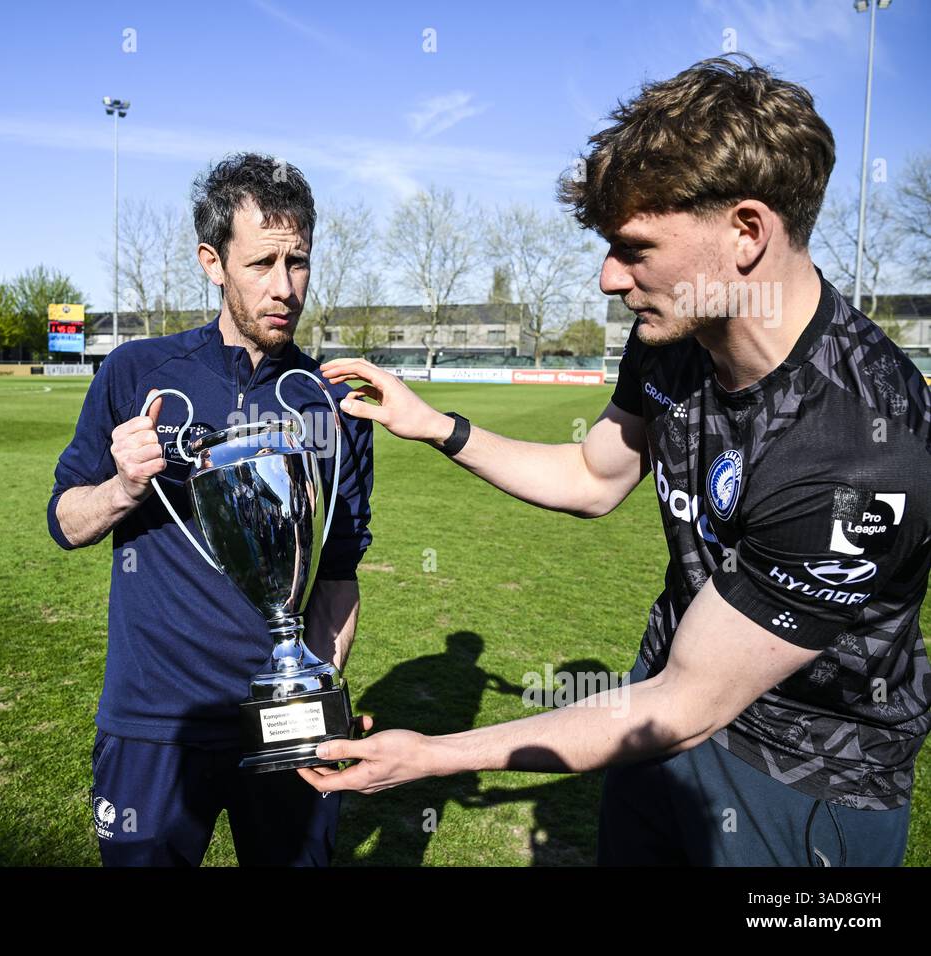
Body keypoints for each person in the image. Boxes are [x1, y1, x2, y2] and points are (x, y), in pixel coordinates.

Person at [299, 56, 931, 867]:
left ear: (746, 232)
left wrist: (432, 756)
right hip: (655, 720)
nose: (608, 278)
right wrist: (438, 428)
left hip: (803, 782)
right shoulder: (673, 337)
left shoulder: (858, 449)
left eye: (635, 248)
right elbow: (596, 477)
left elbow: (688, 702)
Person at [47, 152, 374, 866]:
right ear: (212, 261)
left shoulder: (334, 402)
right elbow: (64, 521)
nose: (285, 287)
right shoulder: (135, 373)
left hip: (288, 730)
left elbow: (340, 572)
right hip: (155, 723)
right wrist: (122, 488)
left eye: (300, 262)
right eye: (262, 263)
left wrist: (319, 685)